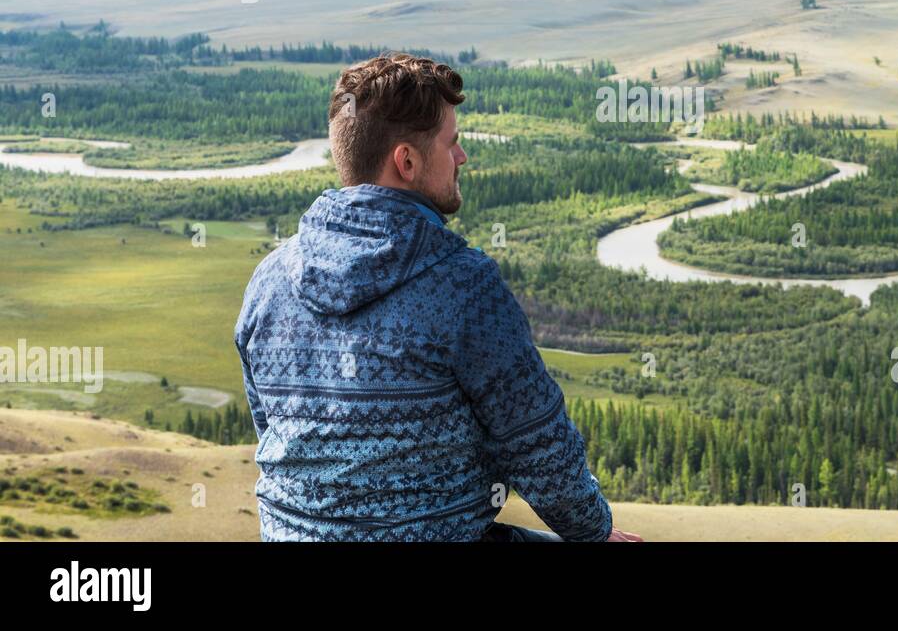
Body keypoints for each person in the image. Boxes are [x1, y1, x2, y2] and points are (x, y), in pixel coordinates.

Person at [235, 53, 640, 542]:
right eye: (453, 144)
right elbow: (538, 447)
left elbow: (274, 432)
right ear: (407, 161)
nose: (462, 157)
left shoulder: (268, 281)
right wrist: (597, 532)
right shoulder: (463, 285)